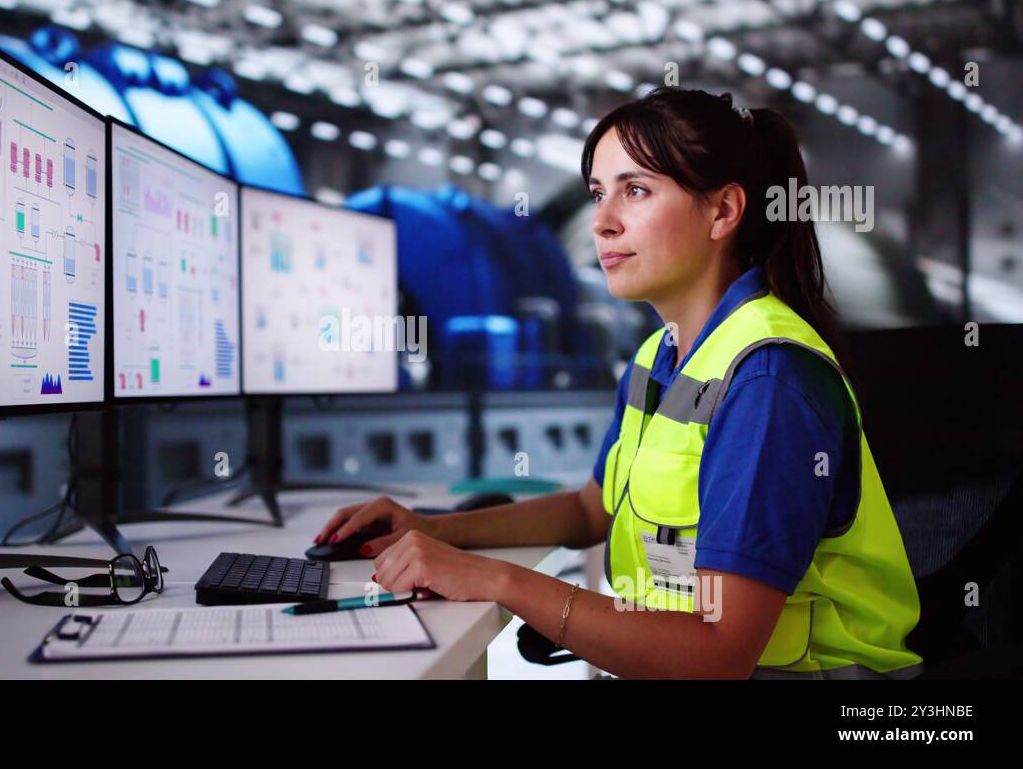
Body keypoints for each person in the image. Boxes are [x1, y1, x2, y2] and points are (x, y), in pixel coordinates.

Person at [315, 87, 923, 679]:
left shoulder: (767, 381)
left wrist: (499, 580)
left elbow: (719, 655)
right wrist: (433, 529)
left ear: (724, 210)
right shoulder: (658, 356)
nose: (602, 223)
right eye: (599, 193)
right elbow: (592, 508)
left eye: (635, 191)